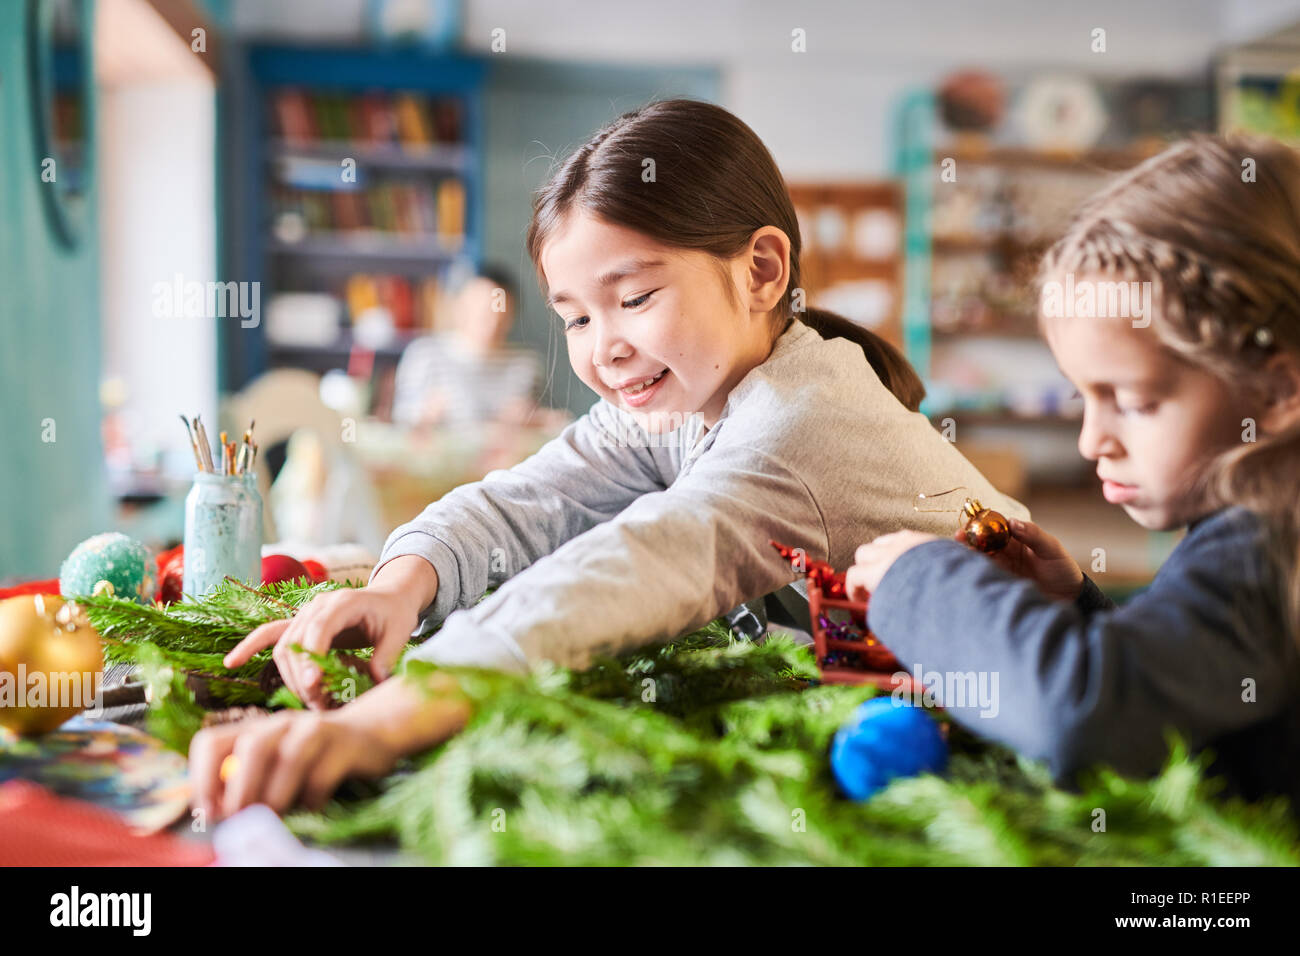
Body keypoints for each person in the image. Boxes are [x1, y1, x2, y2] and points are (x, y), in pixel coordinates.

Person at [190, 98, 1027, 819]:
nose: (605, 349)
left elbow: (630, 566)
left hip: (1034, 695)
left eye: (634, 299)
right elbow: (528, 498)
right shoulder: (683, 396)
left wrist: (371, 728)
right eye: (577, 318)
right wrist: (397, 583)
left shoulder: (796, 419)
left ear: (761, 270)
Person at [848, 135, 1300, 806]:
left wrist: (923, 582)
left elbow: (1085, 715)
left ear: (1277, 393)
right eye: (1082, 396)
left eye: (1134, 401)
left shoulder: (1270, 544)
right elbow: (1170, 698)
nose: (1093, 441)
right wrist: (1079, 610)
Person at [390, 266, 542, 428]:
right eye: (480, 308)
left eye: (498, 311)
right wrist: (424, 414)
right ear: (459, 306)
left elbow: (543, 423)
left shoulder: (525, 366)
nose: (491, 319)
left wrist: (533, 419)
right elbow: (401, 419)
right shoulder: (424, 355)